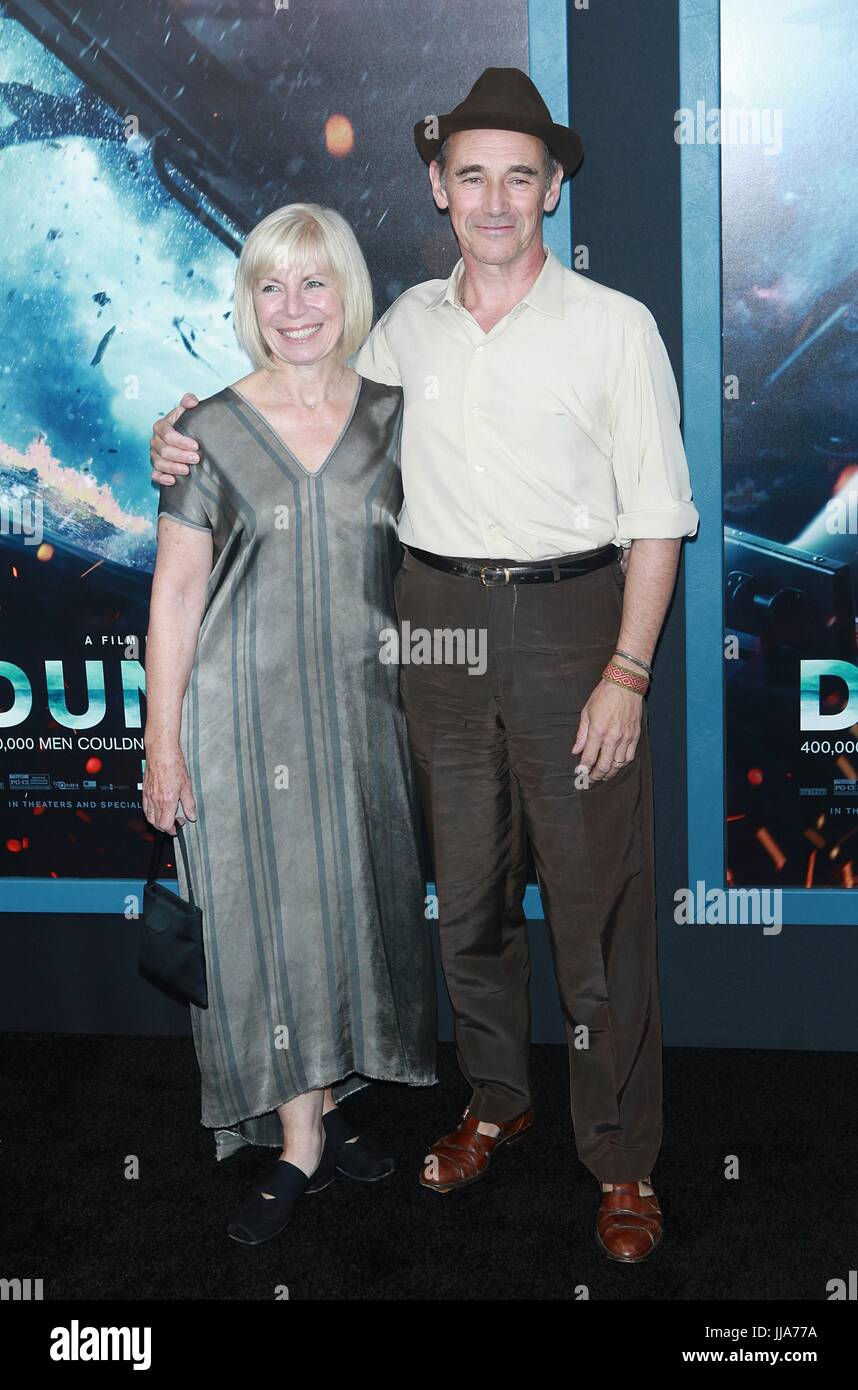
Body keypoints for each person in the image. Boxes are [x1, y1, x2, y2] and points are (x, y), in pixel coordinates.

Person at [149, 68, 700, 1263]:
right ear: (437, 190)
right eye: (471, 177)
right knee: (473, 912)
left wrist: (628, 672)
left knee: (597, 923)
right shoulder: (399, 326)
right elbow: (302, 408)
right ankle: (495, 1103)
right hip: (435, 626)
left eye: (519, 176)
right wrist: (181, 435)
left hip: (574, 623)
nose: (495, 199)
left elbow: (659, 522)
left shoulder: (616, 328)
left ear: (551, 187)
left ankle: (623, 1159)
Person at [143, 203, 437, 1246]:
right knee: (275, 922)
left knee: (350, 909)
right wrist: (161, 744)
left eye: (315, 283)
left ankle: (334, 1095)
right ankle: (298, 1138)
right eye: (272, 285)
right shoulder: (208, 429)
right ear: (248, 303)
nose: (295, 307)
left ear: (347, 294)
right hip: (240, 717)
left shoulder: (397, 414)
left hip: (364, 715)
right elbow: (175, 597)